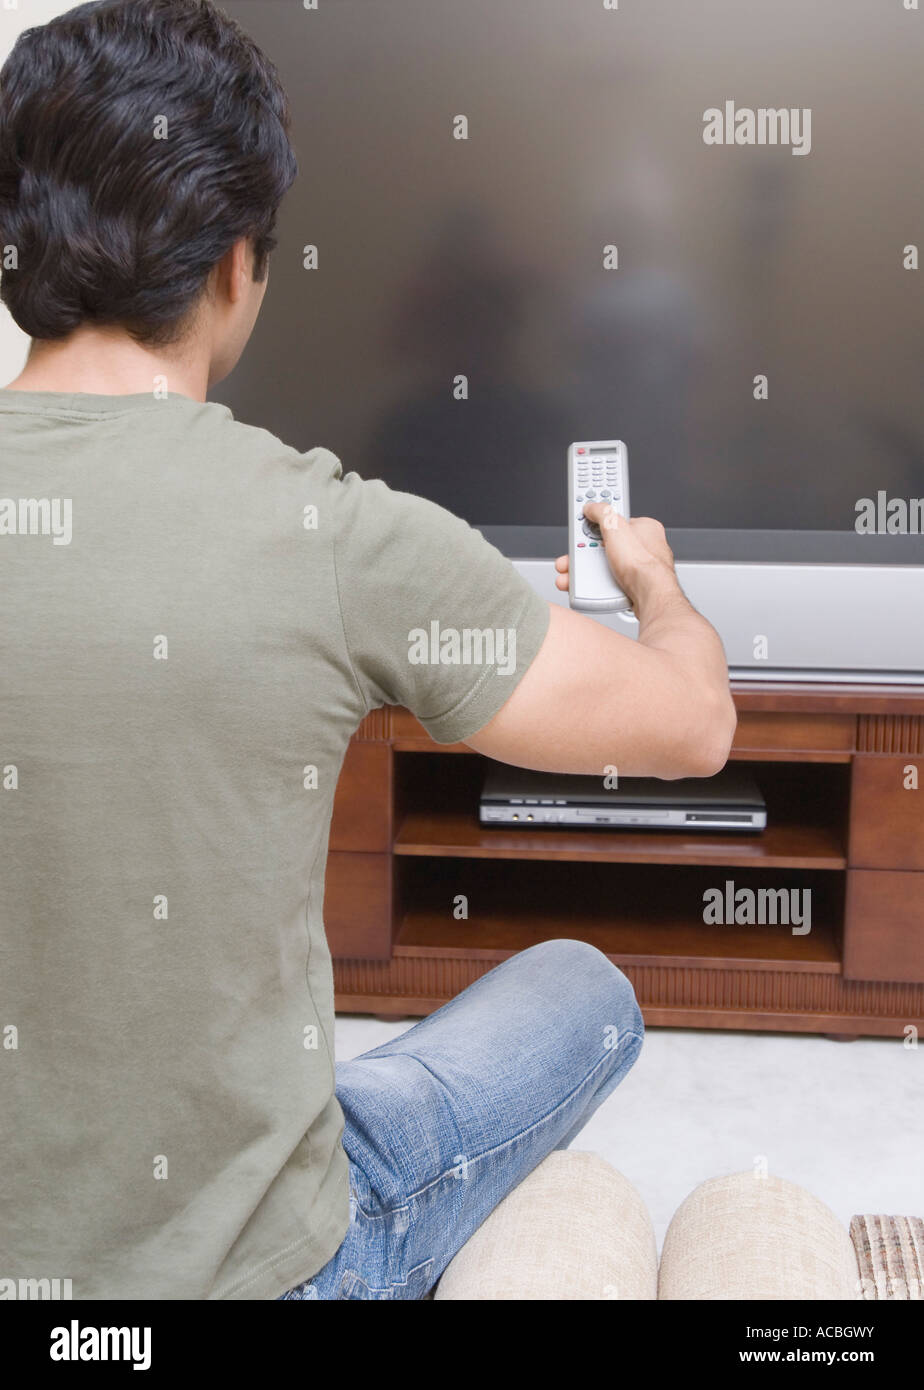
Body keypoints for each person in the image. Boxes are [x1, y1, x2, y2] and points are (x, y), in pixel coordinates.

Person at [0, 0, 736, 1301]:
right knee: (582, 983)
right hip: (263, 1275)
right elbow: (692, 726)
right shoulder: (334, 535)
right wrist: (657, 585)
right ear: (239, 262)